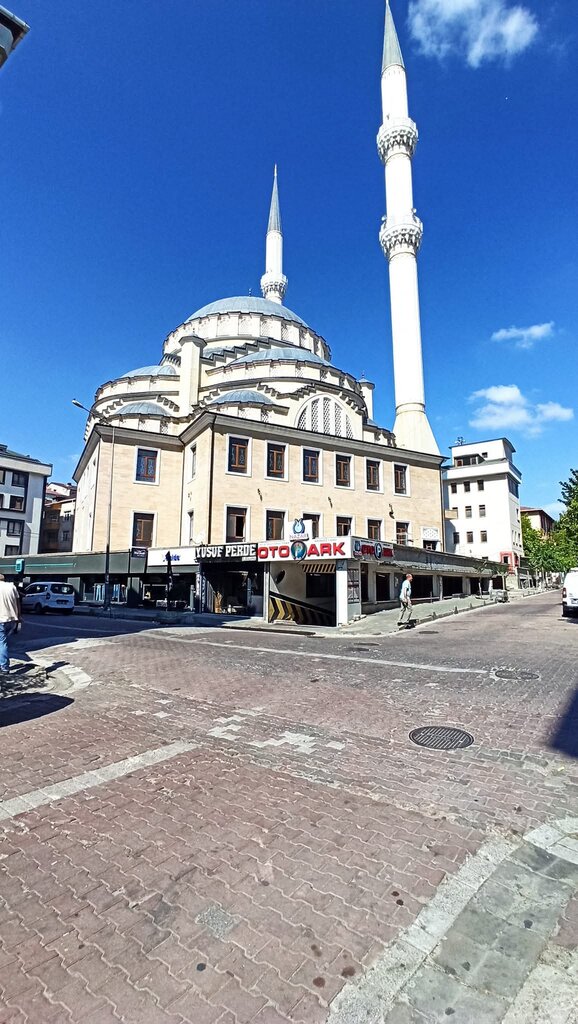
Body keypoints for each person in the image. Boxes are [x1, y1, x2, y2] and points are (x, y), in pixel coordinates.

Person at [0, 574, 22, 675]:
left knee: (2, 643)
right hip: (11, 619)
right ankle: (3, 663)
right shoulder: (12, 587)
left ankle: (4, 667)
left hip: (1, 619)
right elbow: (18, 603)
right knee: (4, 642)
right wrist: (19, 617)